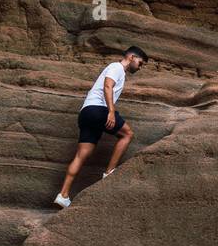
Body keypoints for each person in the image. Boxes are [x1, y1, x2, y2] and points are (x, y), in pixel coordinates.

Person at [53, 45, 148, 207]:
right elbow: (107, 86)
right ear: (131, 57)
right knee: (127, 134)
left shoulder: (118, 70)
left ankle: (63, 195)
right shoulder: (117, 67)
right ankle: (109, 172)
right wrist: (111, 111)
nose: (140, 68)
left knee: (81, 155)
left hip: (86, 113)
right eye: (140, 63)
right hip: (98, 109)